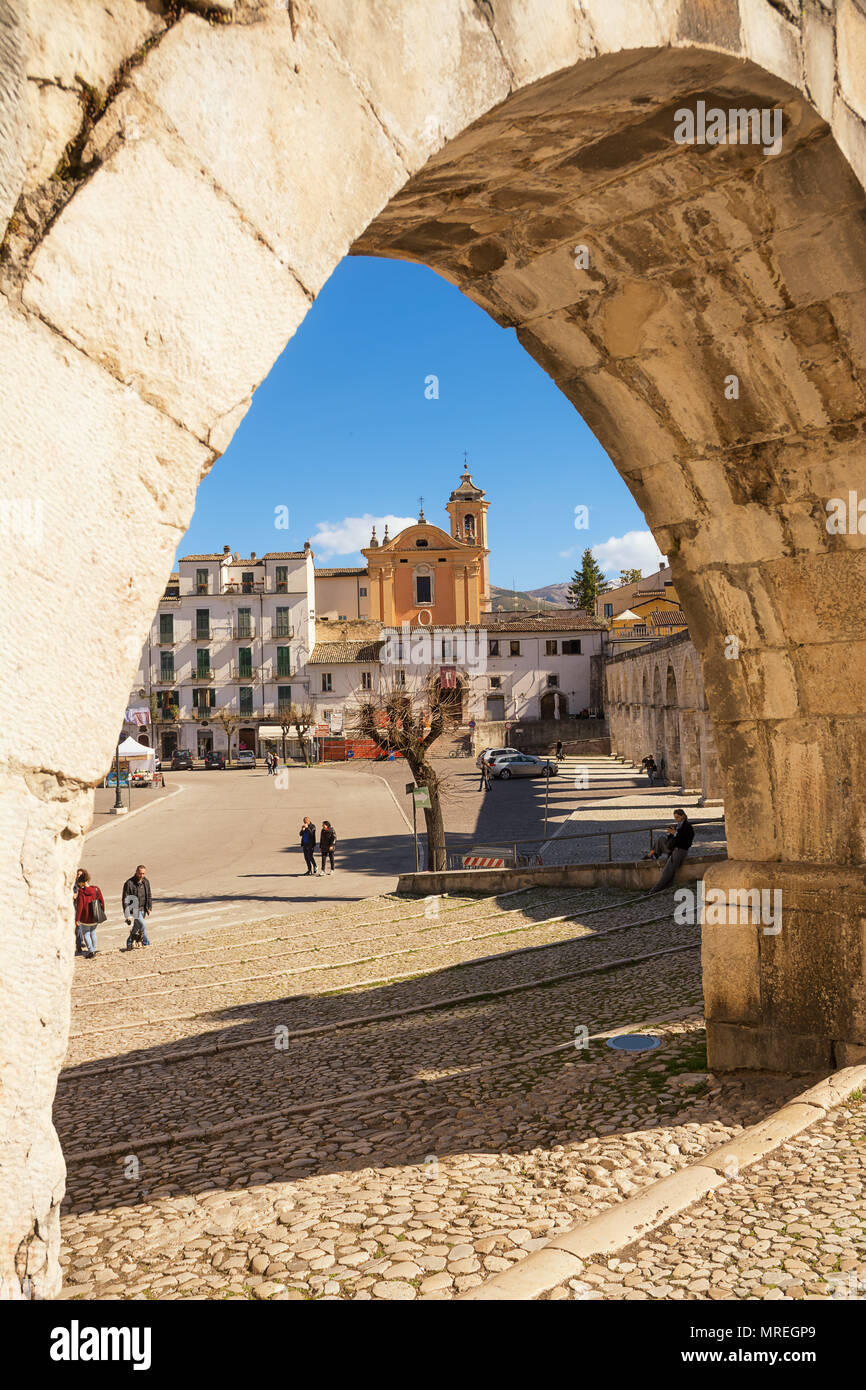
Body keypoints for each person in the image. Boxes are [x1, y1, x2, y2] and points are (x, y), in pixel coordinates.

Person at [646, 809, 694, 893]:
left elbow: (685, 841)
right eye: (675, 818)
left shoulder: (687, 826)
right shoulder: (678, 825)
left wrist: (675, 833)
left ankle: (655, 890)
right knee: (661, 839)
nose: (676, 819)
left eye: (677, 817)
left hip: (680, 850)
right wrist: (671, 833)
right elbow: (673, 839)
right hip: (672, 848)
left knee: (667, 870)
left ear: (683, 816)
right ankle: (651, 853)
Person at [74, 868, 105, 958]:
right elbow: (102, 902)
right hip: (94, 917)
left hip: (85, 918)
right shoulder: (96, 889)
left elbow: (80, 907)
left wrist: (77, 919)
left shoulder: (81, 892)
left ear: (82, 882)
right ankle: (94, 949)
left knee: (86, 934)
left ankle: (91, 951)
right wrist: (102, 912)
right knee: (93, 932)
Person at [122, 863, 152, 948]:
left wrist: (149, 907)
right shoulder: (129, 883)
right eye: (140, 873)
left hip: (143, 908)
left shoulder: (145, 881)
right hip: (134, 909)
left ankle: (129, 942)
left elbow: (149, 894)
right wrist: (127, 914)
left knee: (136, 927)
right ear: (136, 872)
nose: (141, 875)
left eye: (143, 873)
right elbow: (125, 899)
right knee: (142, 925)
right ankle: (146, 942)